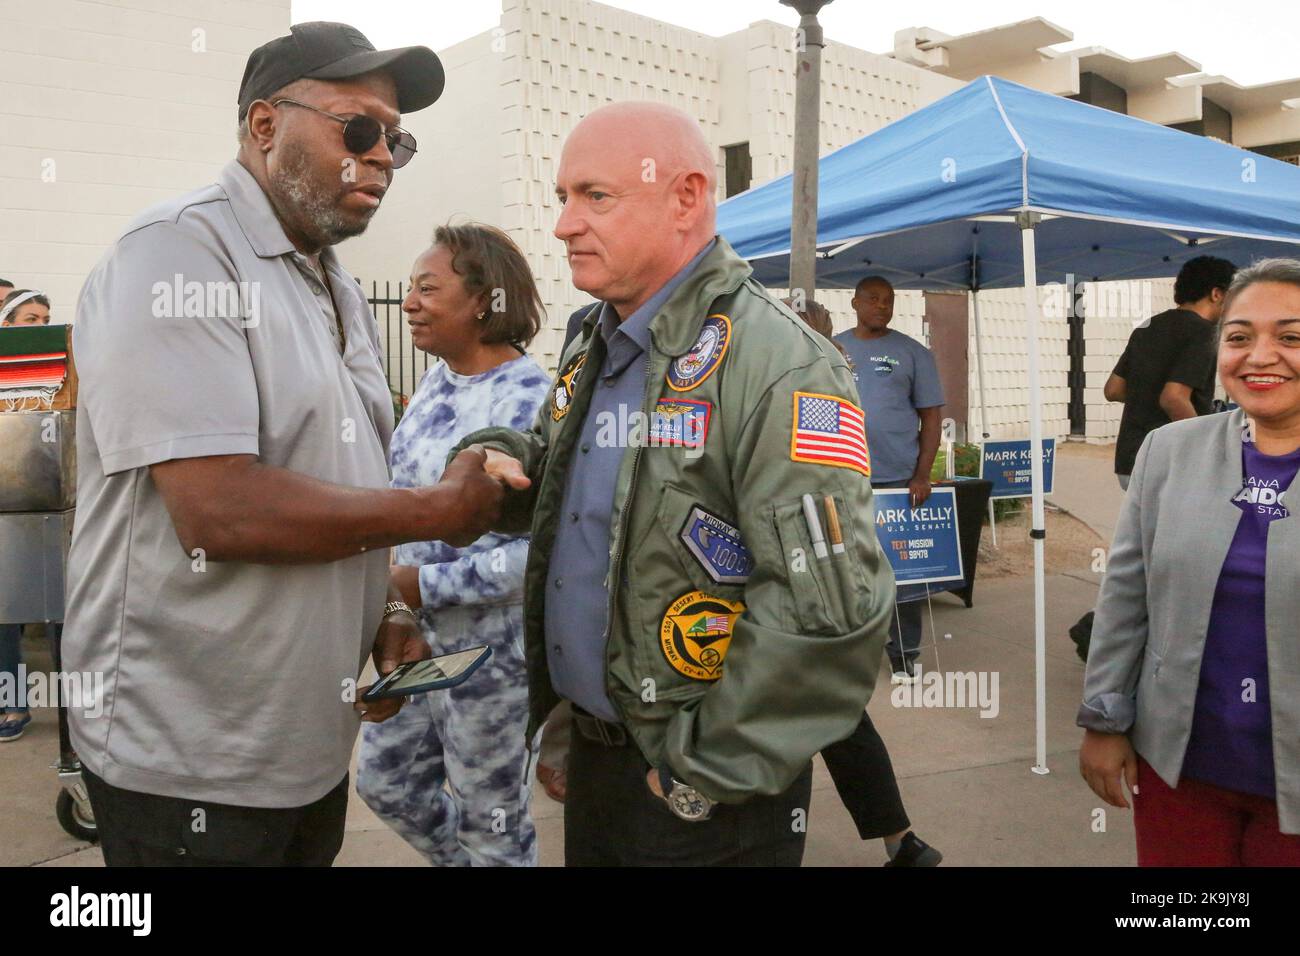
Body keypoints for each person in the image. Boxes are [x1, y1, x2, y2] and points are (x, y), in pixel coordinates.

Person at [63, 22, 505, 867]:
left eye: (396, 140)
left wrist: (389, 607)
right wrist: (439, 510)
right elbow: (219, 510)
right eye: (359, 128)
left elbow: (336, 473)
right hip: (192, 767)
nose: (381, 156)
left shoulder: (330, 281)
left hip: (305, 751)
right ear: (265, 126)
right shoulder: (176, 253)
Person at [455, 102, 894, 866]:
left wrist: (699, 773)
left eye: (594, 196)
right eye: (563, 197)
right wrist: (501, 459)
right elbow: (577, 477)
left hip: (704, 797)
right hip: (598, 764)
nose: (563, 224)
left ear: (685, 197)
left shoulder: (782, 363)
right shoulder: (594, 336)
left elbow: (828, 609)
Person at [1078, 258, 1300, 866]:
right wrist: (1104, 717)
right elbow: (1126, 594)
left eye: (1290, 337)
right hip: (1180, 769)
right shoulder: (1171, 451)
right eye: (1238, 337)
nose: (1260, 356)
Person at [356, 223, 550, 866]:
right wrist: (394, 604)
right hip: (414, 645)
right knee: (386, 783)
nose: (410, 302)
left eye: (428, 288)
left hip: (493, 663)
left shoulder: (535, 399)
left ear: (483, 301)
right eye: (409, 288)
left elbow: (545, 554)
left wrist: (418, 586)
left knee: (492, 826)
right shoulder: (435, 385)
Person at [786, 297, 942, 866]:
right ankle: (901, 839)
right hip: (824, 566)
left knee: (801, 708)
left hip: (798, 574)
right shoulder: (835, 381)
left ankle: (895, 838)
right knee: (834, 710)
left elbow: (803, 483)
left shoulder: (810, 394)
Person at [834, 277, 945, 683]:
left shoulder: (913, 353)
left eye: (889, 301)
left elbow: (931, 416)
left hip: (898, 481)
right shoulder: (834, 348)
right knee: (848, 568)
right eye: (874, 300)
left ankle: (904, 655)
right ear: (855, 302)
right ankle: (852, 650)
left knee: (902, 573)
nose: (882, 307)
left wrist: (922, 474)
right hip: (844, 479)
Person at [1105, 255, 1236, 490]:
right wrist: (1203, 448)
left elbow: (1114, 390)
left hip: (1129, 461)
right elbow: (1173, 397)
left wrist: (1148, 392)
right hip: (1170, 464)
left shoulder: (1148, 326)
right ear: (1216, 294)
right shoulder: (1204, 333)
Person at [0, 289, 57, 742]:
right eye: (29, 319)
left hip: (52, 507)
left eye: (44, 319)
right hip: (6, 509)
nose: (38, 326)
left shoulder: (59, 372)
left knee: (62, 615)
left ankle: (79, 714)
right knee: (4, 614)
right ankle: (12, 704)